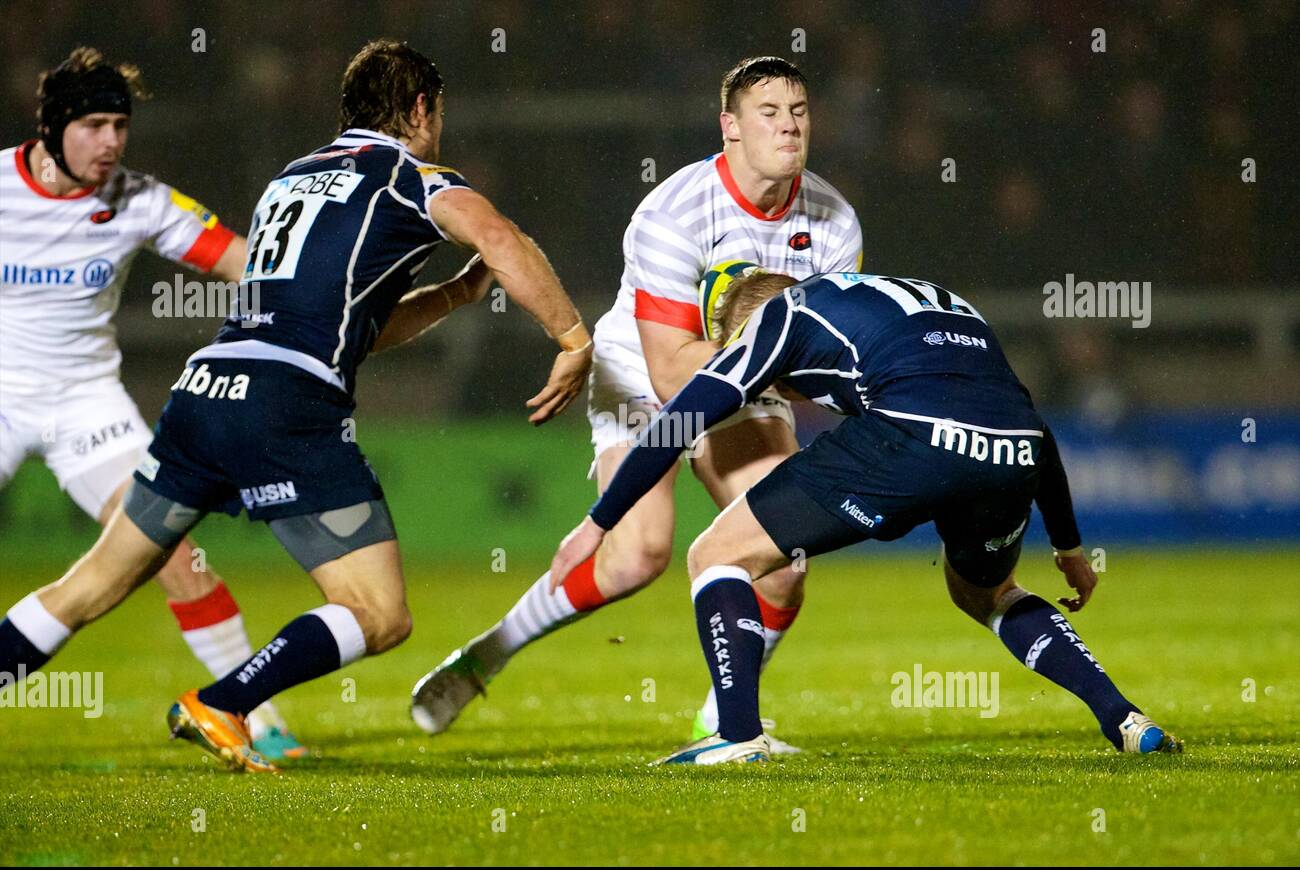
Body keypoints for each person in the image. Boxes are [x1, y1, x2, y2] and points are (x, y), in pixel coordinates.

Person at [0, 39, 592, 772]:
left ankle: (210, 700)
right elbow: (500, 236)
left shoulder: (294, 177)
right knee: (379, 614)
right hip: (283, 410)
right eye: (436, 112)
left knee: (89, 585)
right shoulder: (410, 175)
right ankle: (225, 701)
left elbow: (355, 328)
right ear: (420, 110)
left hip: (203, 395)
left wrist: (457, 292)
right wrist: (571, 337)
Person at [550, 267, 1183, 764]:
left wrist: (601, 521)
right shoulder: (934, 299)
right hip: (1012, 450)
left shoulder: (779, 314)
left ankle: (736, 736)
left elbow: (682, 418)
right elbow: (1034, 428)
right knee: (986, 593)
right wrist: (1069, 548)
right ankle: (1124, 718)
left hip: (909, 439)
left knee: (716, 554)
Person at [412, 57, 863, 750]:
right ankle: (489, 653)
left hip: (750, 375)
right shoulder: (674, 210)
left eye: (799, 110)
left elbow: (831, 358)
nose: (788, 125)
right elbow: (672, 368)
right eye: (768, 112)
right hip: (647, 366)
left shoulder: (834, 224)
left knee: (784, 558)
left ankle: (724, 715)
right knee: (637, 555)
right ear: (730, 128)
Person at [0, 47, 305, 759]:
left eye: (120, 125)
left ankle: (255, 715)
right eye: (94, 124)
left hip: (88, 407)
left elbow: (242, 263)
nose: (111, 141)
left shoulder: (140, 200)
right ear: (51, 128)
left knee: (177, 555)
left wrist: (304, 297)